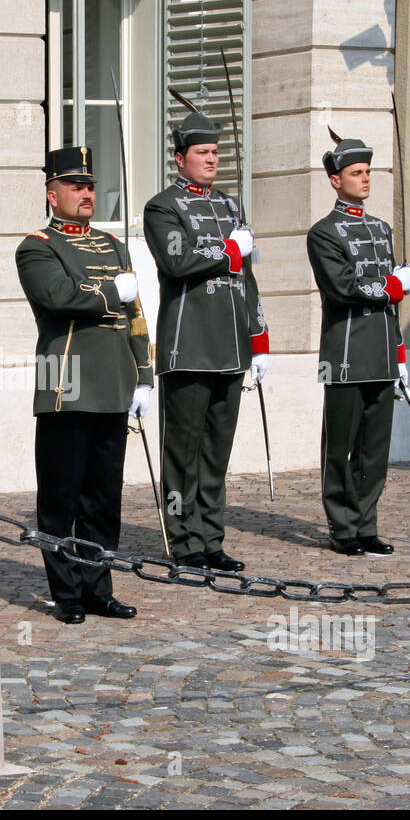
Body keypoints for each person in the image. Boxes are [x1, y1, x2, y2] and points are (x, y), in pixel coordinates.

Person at [15, 146, 153, 624]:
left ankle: (98, 588)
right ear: (52, 195)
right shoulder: (37, 246)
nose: (86, 193)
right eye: (75, 186)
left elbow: (136, 318)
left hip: (114, 379)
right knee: (60, 496)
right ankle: (66, 593)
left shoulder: (115, 245)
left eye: (90, 185)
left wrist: (145, 375)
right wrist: (112, 291)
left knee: (103, 499)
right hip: (65, 378)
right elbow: (58, 297)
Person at [143, 113, 270, 571]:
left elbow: (247, 280)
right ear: (181, 159)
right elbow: (180, 261)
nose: (211, 159)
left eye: (215, 152)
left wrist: (259, 339)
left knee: (217, 452)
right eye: (202, 152)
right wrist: (232, 250)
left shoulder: (232, 208)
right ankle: (183, 540)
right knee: (183, 454)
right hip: (188, 345)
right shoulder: (162, 207)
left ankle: (211, 538)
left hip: (231, 344)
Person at [307, 132, 410, 556]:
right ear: (335, 180)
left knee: (374, 449)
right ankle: (342, 526)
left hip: (382, 352)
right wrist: (393, 285)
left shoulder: (381, 230)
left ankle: (366, 523)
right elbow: (343, 288)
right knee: (340, 447)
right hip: (346, 354)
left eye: (368, 172)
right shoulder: (324, 233)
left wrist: (401, 355)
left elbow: (392, 308)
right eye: (356, 173)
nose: (365, 179)